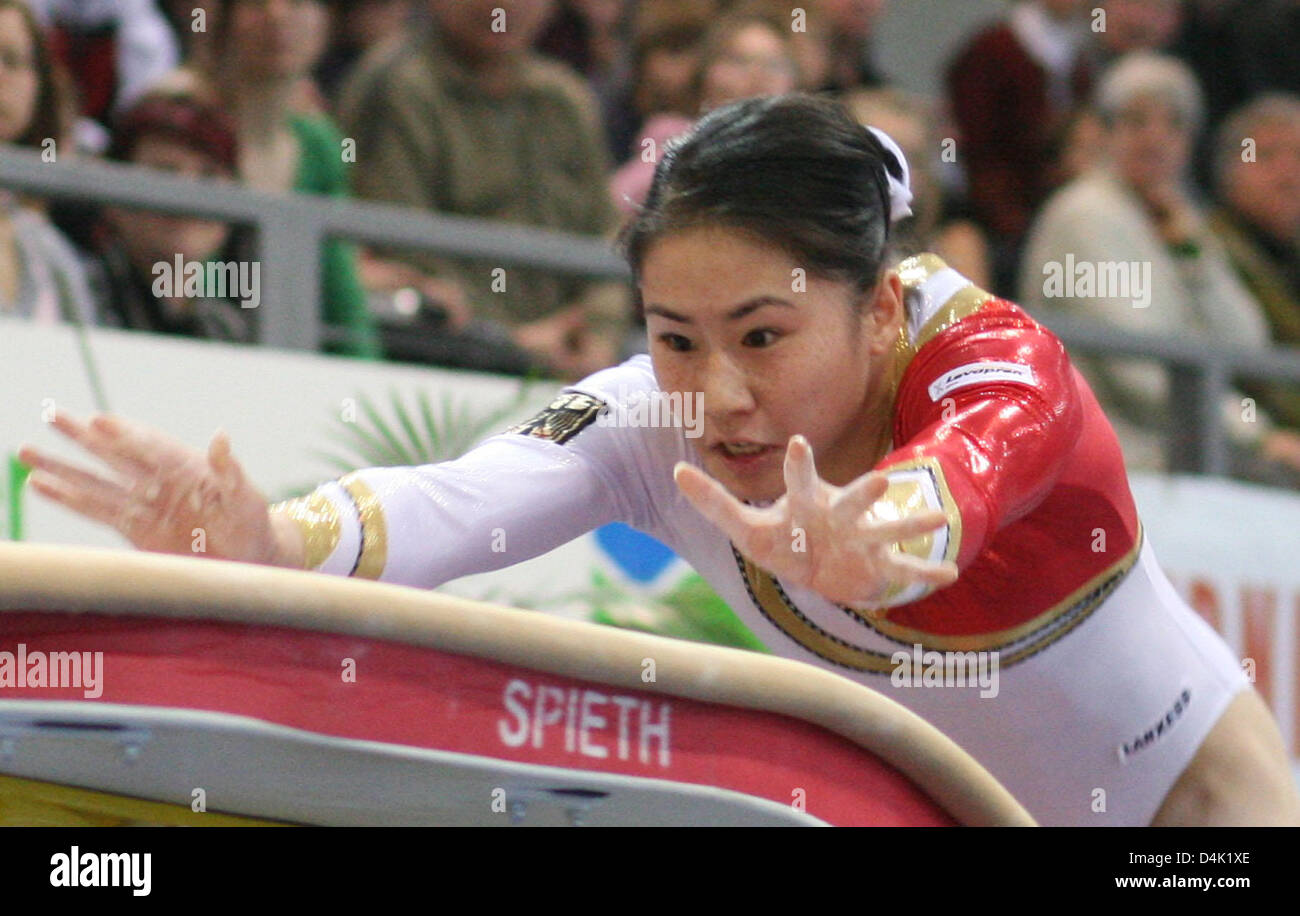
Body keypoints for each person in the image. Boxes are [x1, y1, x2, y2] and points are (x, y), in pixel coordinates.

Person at [18, 94, 1299, 827]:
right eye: (676, 338)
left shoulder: (995, 360)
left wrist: (885, 531)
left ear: (880, 311)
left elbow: (976, 460)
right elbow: (463, 496)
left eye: (764, 336)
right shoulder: (652, 418)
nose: (718, 393)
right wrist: (268, 540)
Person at [1019, 53, 1300, 478]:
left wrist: (1192, 255)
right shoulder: (1086, 212)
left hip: (1184, 448)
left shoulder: (1178, 219)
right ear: (1104, 134)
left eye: (1174, 125)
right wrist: (1257, 435)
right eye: (1136, 121)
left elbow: (1247, 342)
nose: (1156, 139)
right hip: (1110, 454)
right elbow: (1140, 374)